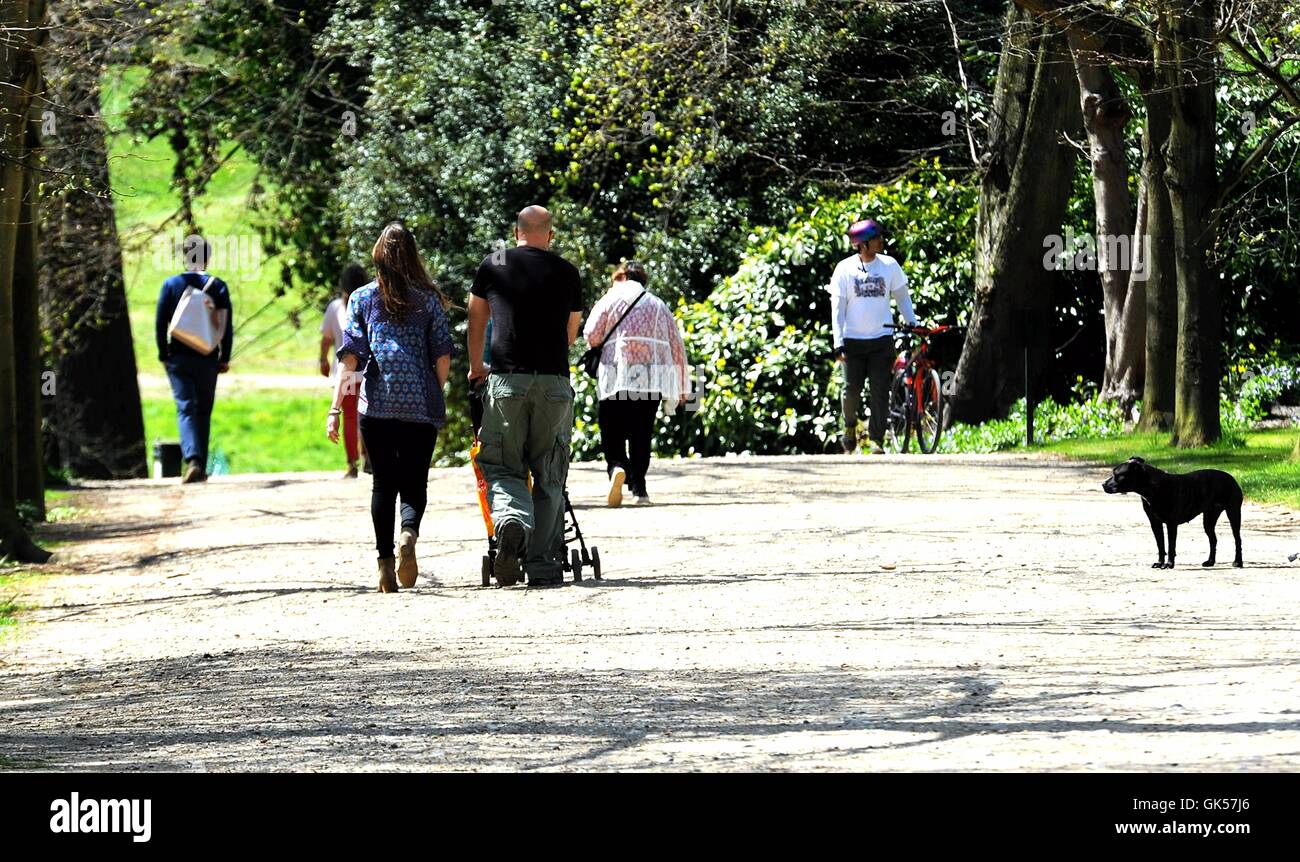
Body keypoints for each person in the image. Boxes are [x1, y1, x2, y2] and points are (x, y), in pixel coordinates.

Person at [328, 223, 454, 594]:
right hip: (419, 402)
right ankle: (408, 534)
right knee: (414, 481)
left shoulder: (362, 298)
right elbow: (442, 355)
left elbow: (350, 359)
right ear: (413, 255)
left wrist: (335, 409)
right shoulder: (428, 299)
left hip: (377, 403)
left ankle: (384, 565)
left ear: (378, 255)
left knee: (383, 484)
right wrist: (434, 389)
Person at [467, 205, 583, 587]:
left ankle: (512, 519)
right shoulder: (566, 271)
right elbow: (570, 333)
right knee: (549, 471)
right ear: (549, 236)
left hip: (506, 380)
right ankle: (544, 566)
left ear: (515, 231)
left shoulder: (494, 262)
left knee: (502, 465)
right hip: (553, 382)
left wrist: (476, 368)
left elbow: (477, 320)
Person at [583, 260, 688, 506]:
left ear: (620, 276)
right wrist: (683, 385)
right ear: (643, 280)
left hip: (615, 375)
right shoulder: (657, 304)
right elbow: (676, 345)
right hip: (650, 379)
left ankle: (618, 468)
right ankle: (639, 489)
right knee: (641, 433)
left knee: (612, 430)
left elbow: (591, 334)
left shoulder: (610, 299)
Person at [828, 218, 917, 455]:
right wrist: (838, 343)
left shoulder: (889, 266)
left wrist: (912, 323)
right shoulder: (844, 270)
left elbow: (902, 297)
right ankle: (849, 426)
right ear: (863, 244)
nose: (882, 241)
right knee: (850, 392)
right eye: (877, 238)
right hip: (853, 342)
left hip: (881, 339)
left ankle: (877, 440)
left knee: (880, 390)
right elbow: (837, 309)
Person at [155, 236, 233, 484]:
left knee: (185, 407)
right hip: (208, 357)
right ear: (207, 257)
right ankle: (198, 464)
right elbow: (225, 325)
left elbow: (160, 322)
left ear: (185, 257)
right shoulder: (218, 286)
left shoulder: (171, 285)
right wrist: (224, 356)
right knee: (203, 410)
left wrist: (163, 353)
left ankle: (193, 460)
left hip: (178, 356)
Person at [320, 262, 371, 478]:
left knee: (350, 417)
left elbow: (326, 339)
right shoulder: (371, 303)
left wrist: (322, 360)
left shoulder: (335, 307)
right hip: (368, 371)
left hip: (347, 374)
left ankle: (351, 463)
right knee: (366, 416)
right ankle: (368, 458)